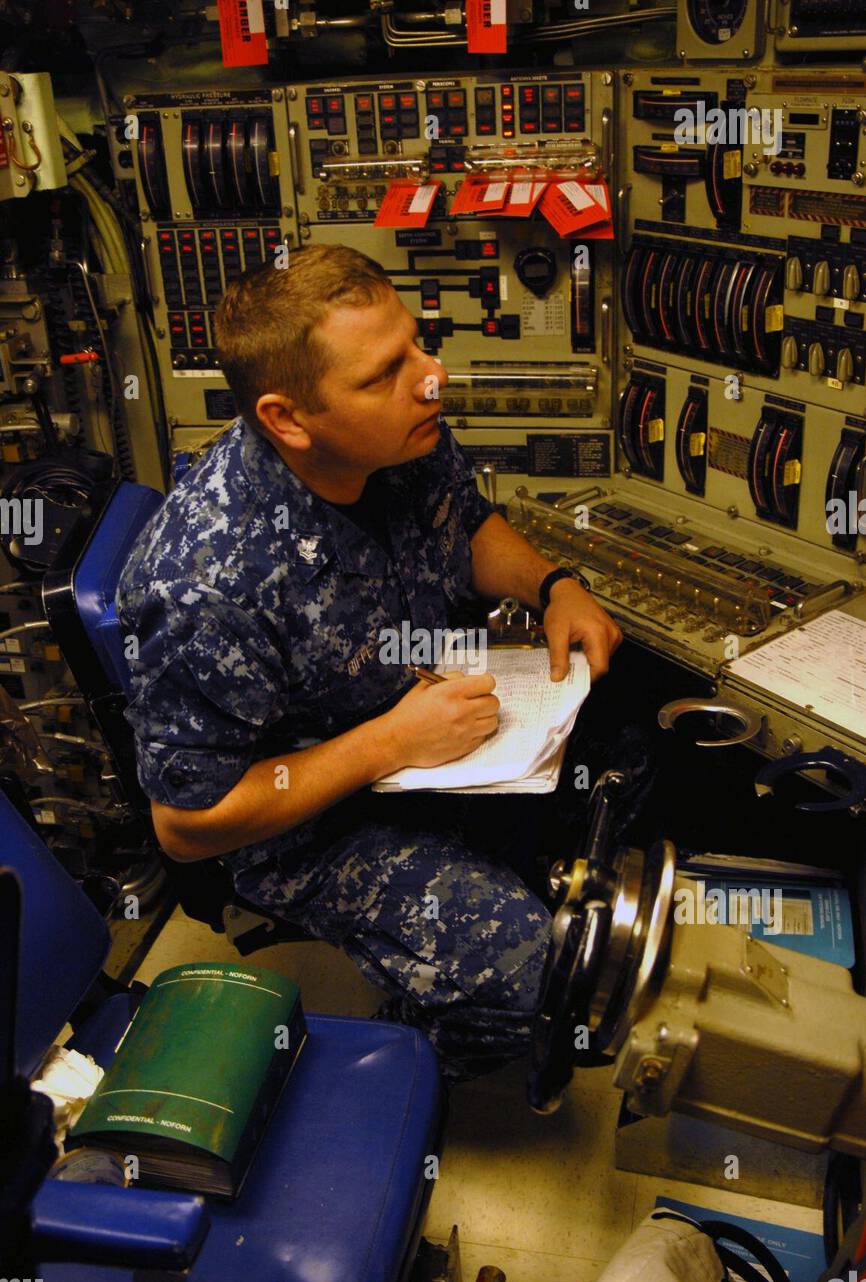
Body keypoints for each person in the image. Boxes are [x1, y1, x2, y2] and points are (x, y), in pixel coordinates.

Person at [117, 243, 622, 1081]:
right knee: (537, 978)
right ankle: (396, 1054)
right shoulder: (205, 584)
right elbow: (185, 826)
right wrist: (390, 745)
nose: (433, 378)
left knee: (629, 740)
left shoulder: (399, 436)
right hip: (316, 827)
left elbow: (463, 525)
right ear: (287, 418)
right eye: (387, 372)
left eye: (418, 346)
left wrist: (553, 585)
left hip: (432, 720)